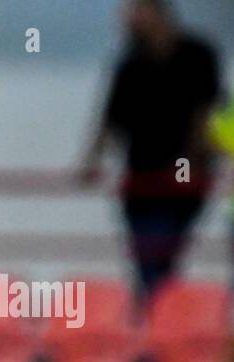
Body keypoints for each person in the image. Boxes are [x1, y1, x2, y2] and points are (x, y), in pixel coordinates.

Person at [79, 0, 222, 291]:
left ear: (158, 13)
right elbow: (110, 119)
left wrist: (188, 165)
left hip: (183, 183)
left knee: (158, 256)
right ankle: (159, 316)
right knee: (151, 260)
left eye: (137, 12)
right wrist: (91, 160)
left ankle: (159, 316)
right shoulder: (130, 65)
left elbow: (206, 114)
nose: (130, 20)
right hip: (141, 182)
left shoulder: (197, 56)